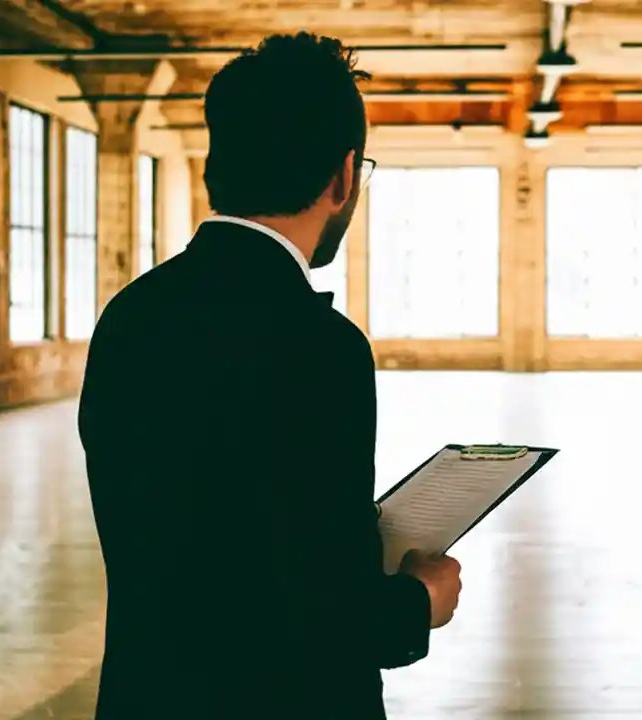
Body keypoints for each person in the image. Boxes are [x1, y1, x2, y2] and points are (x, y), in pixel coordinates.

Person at [78, 33, 463, 719]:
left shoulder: (129, 318)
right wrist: (418, 601)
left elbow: (200, 542)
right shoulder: (321, 348)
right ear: (344, 177)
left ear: (213, 170)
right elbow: (308, 604)